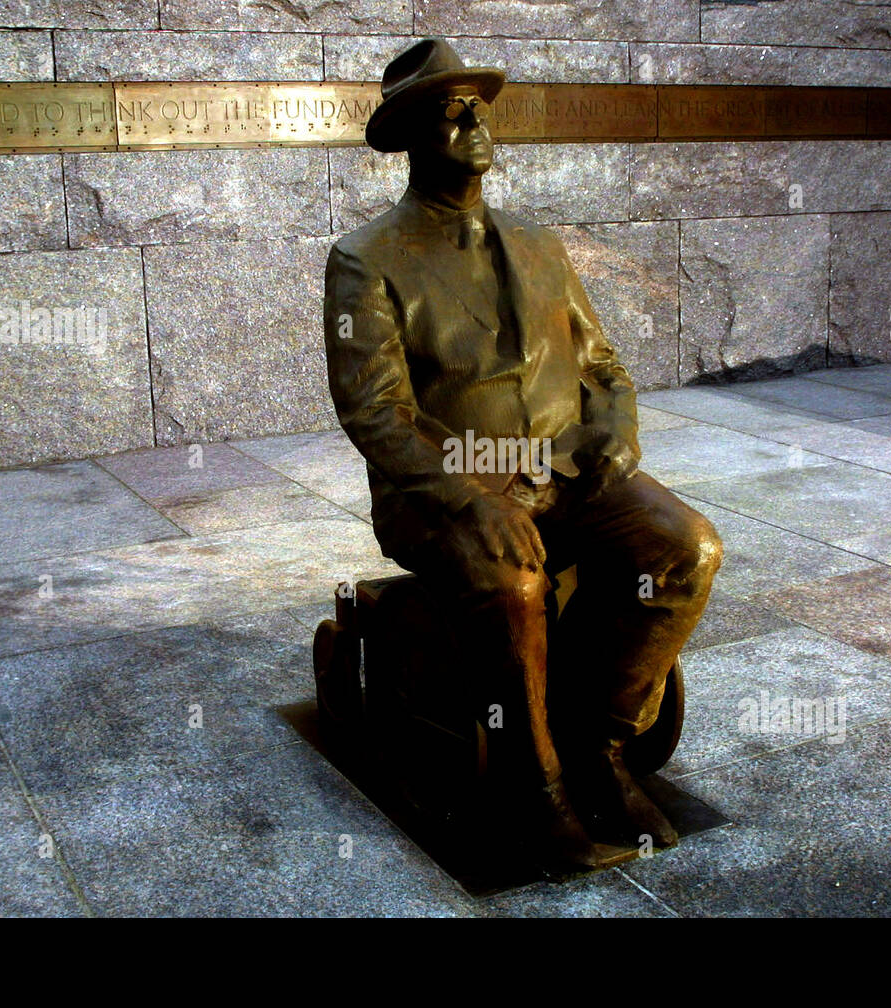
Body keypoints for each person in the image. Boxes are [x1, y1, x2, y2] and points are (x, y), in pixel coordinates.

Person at [324, 39, 722, 871]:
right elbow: (375, 411)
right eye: (448, 108)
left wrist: (617, 429)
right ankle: (531, 794)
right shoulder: (366, 260)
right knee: (516, 582)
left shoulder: (539, 242)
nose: (473, 120)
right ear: (405, 136)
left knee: (687, 546)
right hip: (449, 490)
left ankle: (596, 747)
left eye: (479, 105)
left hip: (571, 472)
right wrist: (470, 498)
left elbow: (601, 364)